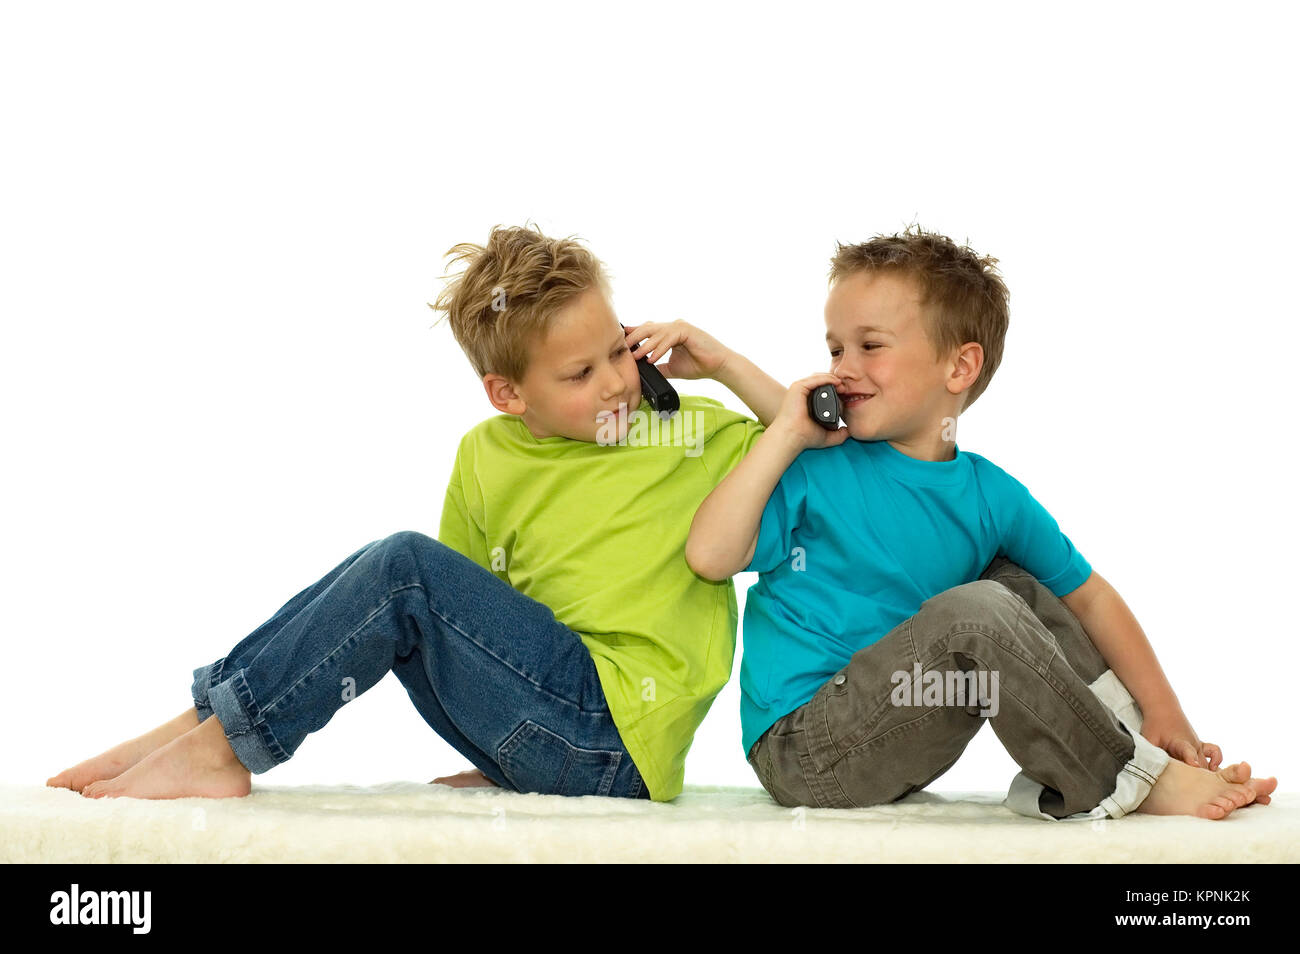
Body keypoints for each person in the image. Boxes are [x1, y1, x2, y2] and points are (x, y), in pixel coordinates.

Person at [47, 222, 785, 802]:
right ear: (508, 394)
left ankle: (218, 741)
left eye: (618, 353)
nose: (616, 384)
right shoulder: (484, 455)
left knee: (401, 571)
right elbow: (472, 624)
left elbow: (817, 440)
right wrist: (503, 752)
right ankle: (205, 726)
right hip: (539, 725)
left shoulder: (692, 433)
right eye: (579, 373)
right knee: (382, 583)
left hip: (612, 739)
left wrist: (721, 363)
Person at [685, 226, 1277, 820]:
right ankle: (1128, 780)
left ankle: (1130, 753)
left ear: (960, 367)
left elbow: (1091, 598)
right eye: (836, 350)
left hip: (905, 727)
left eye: (871, 346)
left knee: (1021, 585)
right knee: (978, 611)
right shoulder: (817, 467)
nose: (843, 368)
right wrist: (786, 433)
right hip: (804, 749)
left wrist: (1165, 711)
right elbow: (709, 558)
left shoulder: (992, 496)